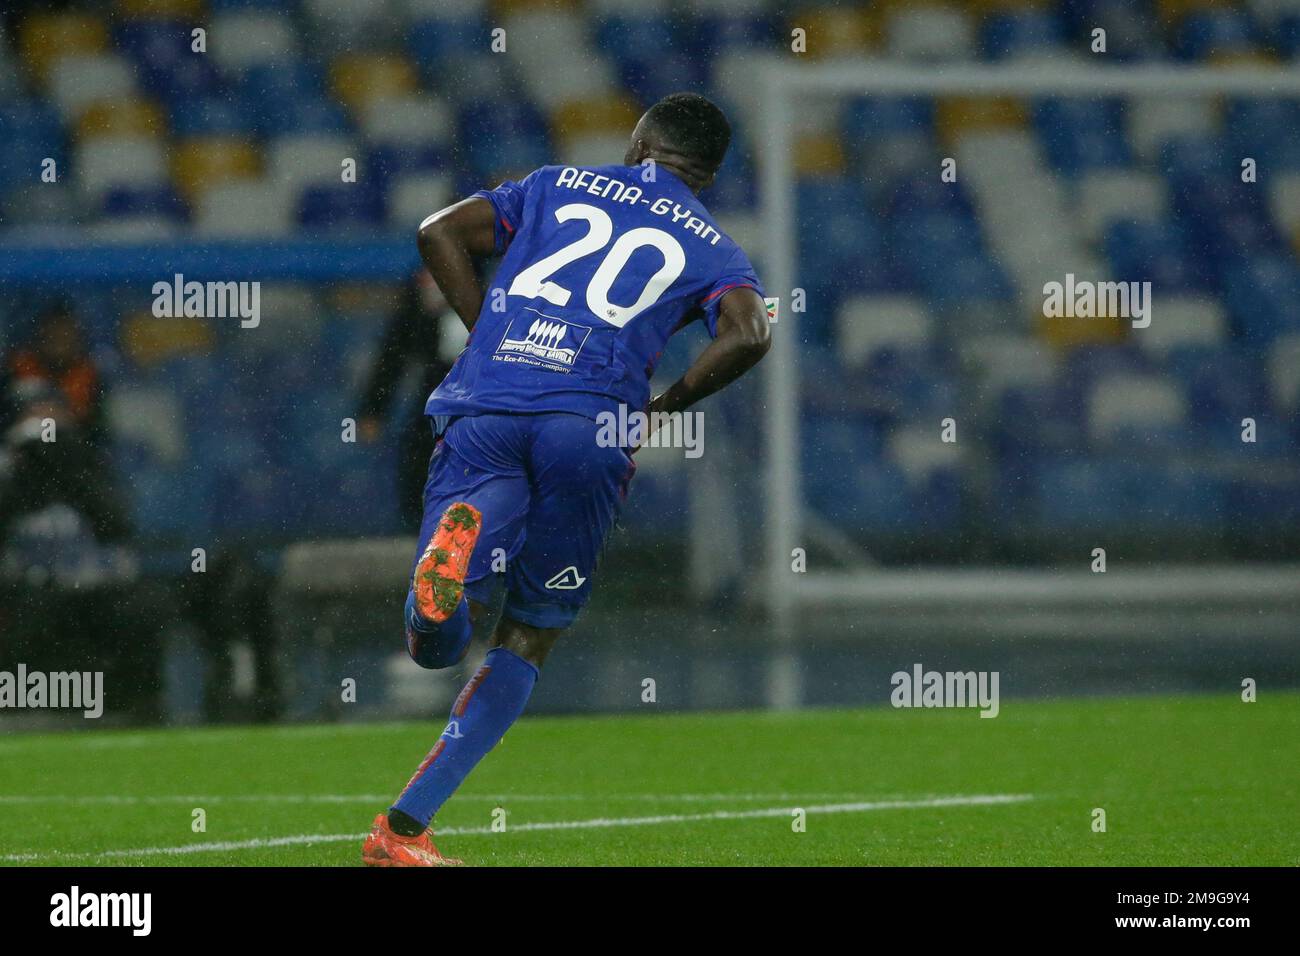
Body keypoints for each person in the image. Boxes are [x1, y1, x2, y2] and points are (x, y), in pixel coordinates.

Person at [361, 93, 771, 866]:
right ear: (707, 173)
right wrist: (664, 405)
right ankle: (402, 830)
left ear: (640, 142)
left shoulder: (555, 184)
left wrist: (490, 334)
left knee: (435, 646)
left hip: (489, 404)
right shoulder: (712, 243)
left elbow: (437, 232)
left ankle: (436, 598)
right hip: (590, 426)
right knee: (530, 630)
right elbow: (750, 333)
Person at [356, 271, 462, 528]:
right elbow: (395, 351)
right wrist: (374, 408)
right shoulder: (431, 272)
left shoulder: (501, 265)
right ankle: (422, 534)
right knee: (420, 457)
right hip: (439, 386)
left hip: (492, 387)